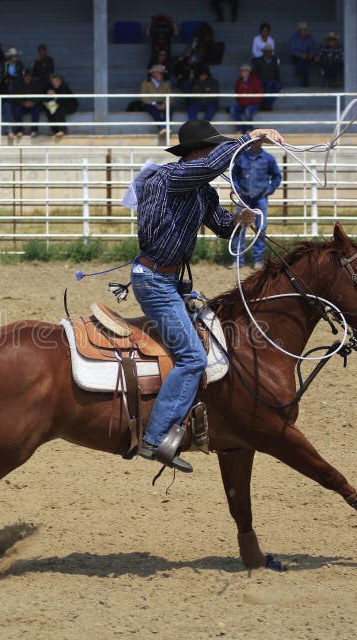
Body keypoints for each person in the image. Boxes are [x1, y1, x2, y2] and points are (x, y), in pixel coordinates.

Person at [130, 120, 284, 471]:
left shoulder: (201, 191)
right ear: (199, 153)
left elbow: (221, 225)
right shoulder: (170, 177)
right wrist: (251, 137)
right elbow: (211, 166)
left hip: (170, 282)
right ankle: (154, 438)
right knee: (192, 358)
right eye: (213, 150)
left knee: (211, 341)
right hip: (154, 281)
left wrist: (240, 219)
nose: (218, 156)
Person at [230, 138, 282, 268]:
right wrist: (236, 188)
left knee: (261, 228)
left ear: (261, 142)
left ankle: (258, 260)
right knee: (239, 226)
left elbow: (277, 176)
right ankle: (237, 260)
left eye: (257, 141)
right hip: (244, 198)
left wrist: (268, 190)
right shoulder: (241, 157)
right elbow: (233, 174)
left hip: (260, 198)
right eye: (253, 141)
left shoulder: (268, 159)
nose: (255, 143)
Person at [140, 64, 172, 136]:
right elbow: (143, 97)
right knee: (153, 110)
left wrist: (165, 104)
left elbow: (171, 96)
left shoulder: (165, 83)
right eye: (160, 73)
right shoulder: (146, 83)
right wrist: (155, 104)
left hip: (163, 103)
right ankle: (162, 128)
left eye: (162, 73)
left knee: (170, 108)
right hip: (150, 104)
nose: (162, 75)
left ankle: (167, 127)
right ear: (154, 74)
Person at [10, 69, 43, 138]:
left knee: (36, 109)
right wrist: (22, 102)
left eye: (29, 76)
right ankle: (20, 130)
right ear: (23, 76)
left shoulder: (36, 83)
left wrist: (33, 102)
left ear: (31, 77)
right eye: (26, 76)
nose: (27, 78)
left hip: (32, 105)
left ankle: (34, 130)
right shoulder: (18, 84)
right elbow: (14, 96)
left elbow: (39, 96)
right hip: (21, 105)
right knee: (16, 109)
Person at [231, 64, 263, 133]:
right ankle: (240, 128)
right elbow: (236, 92)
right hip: (242, 104)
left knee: (248, 111)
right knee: (233, 109)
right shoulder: (239, 80)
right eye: (241, 71)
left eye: (244, 71)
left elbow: (259, 93)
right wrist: (241, 102)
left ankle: (250, 129)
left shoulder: (255, 79)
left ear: (248, 72)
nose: (242, 72)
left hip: (253, 104)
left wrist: (251, 102)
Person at [251, 43, 281, 110]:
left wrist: (278, 81)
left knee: (277, 87)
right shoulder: (258, 60)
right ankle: (265, 106)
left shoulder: (275, 60)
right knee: (267, 87)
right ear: (264, 52)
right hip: (262, 80)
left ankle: (267, 105)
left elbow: (277, 72)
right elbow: (255, 73)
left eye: (270, 51)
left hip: (272, 80)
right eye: (266, 52)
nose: (268, 53)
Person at [289, 21, 316, 87]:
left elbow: (313, 49)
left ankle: (298, 70)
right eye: (304, 30)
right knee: (303, 61)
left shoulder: (309, 38)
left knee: (304, 61)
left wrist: (310, 54)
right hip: (296, 57)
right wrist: (301, 55)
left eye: (306, 30)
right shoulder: (294, 38)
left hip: (307, 57)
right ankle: (305, 84)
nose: (306, 31)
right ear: (299, 31)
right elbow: (292, 51)